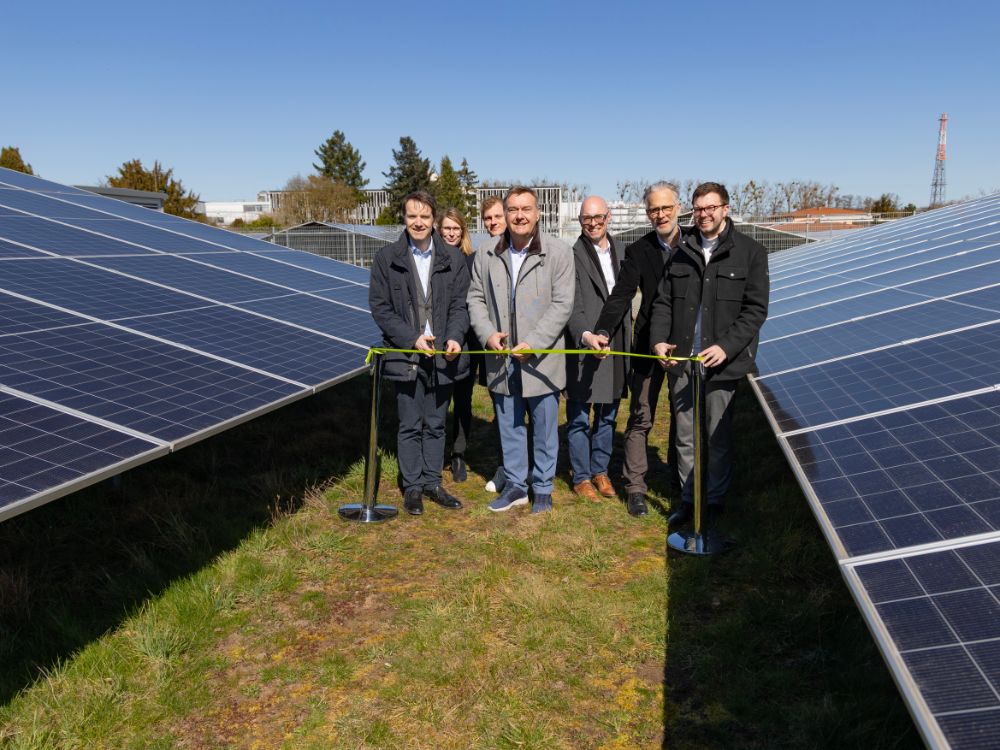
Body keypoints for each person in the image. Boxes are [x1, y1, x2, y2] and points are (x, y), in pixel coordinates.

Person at [650, 182, 769, 529]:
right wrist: (659, 341)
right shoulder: (682, 251)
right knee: (685, 435)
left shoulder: (749, 253)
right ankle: (689, 500)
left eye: (710, 208)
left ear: (726, 209)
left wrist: (725, 347)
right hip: (684, 360)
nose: (703, 215)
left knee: (717, 437)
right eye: (698, 209)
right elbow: (661, 303)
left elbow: (755, 310)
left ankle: (714, 502)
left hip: (723, 364)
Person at [467, 186, 574, 514]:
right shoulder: (486, 254)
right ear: (505, 213)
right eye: (513, 209)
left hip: (541, 359)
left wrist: (536, 343)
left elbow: (563, 303)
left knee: (544, 427)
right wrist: (487, 334)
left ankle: (542, 486)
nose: (519, 215)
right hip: (501, 359)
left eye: (526, 209)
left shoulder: (557, 252)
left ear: (538, 213)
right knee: (509, 424)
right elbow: (475, 298)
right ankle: (516, 485)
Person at [369, 191, 470, 516]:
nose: (418, 222)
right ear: (404, 218)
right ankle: (412, 487)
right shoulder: (387, 259)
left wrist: (454, 337)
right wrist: (412, 338)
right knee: (410, 423)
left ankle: (431, 482)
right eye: (412, 216)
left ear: (434, 220)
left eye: (425, 216)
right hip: (406, 356)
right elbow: (380, 308)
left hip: (443, 357)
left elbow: (460, 305)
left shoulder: (452, 260)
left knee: (437, 422)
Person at [592, 182, 684, 517]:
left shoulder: (694, 244)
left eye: (665, 208)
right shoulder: (639, 250)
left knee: (682, 417)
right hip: (647, 345)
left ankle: (680, 482)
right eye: (653, 210)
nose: (660, 215)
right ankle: (635, 486)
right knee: (641, 416)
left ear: (678, 207)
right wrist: (603, 329)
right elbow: (621, 295)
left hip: (684, 348)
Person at [566, 195, 630, 502]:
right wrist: (586, 335)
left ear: (609, 218)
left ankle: (600, 470)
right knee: (579, 415)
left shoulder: (622, 251)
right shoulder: (572, 255)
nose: (593, 223)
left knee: (608, 414)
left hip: (616, 343)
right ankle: (581, 476)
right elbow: (571, 306)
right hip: (586, 344)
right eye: (587, 219)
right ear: (580, 222)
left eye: (599, 218)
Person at [438, 207, 476, 482]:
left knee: (463, 401)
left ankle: (459, 454)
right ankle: (436, 452)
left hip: (466, 342)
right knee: (438, 401)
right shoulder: (432, 259)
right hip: (438, 343)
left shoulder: (472, 261)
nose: (451, 233)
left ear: (463, 232)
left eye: (456, 229)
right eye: (447, 228)